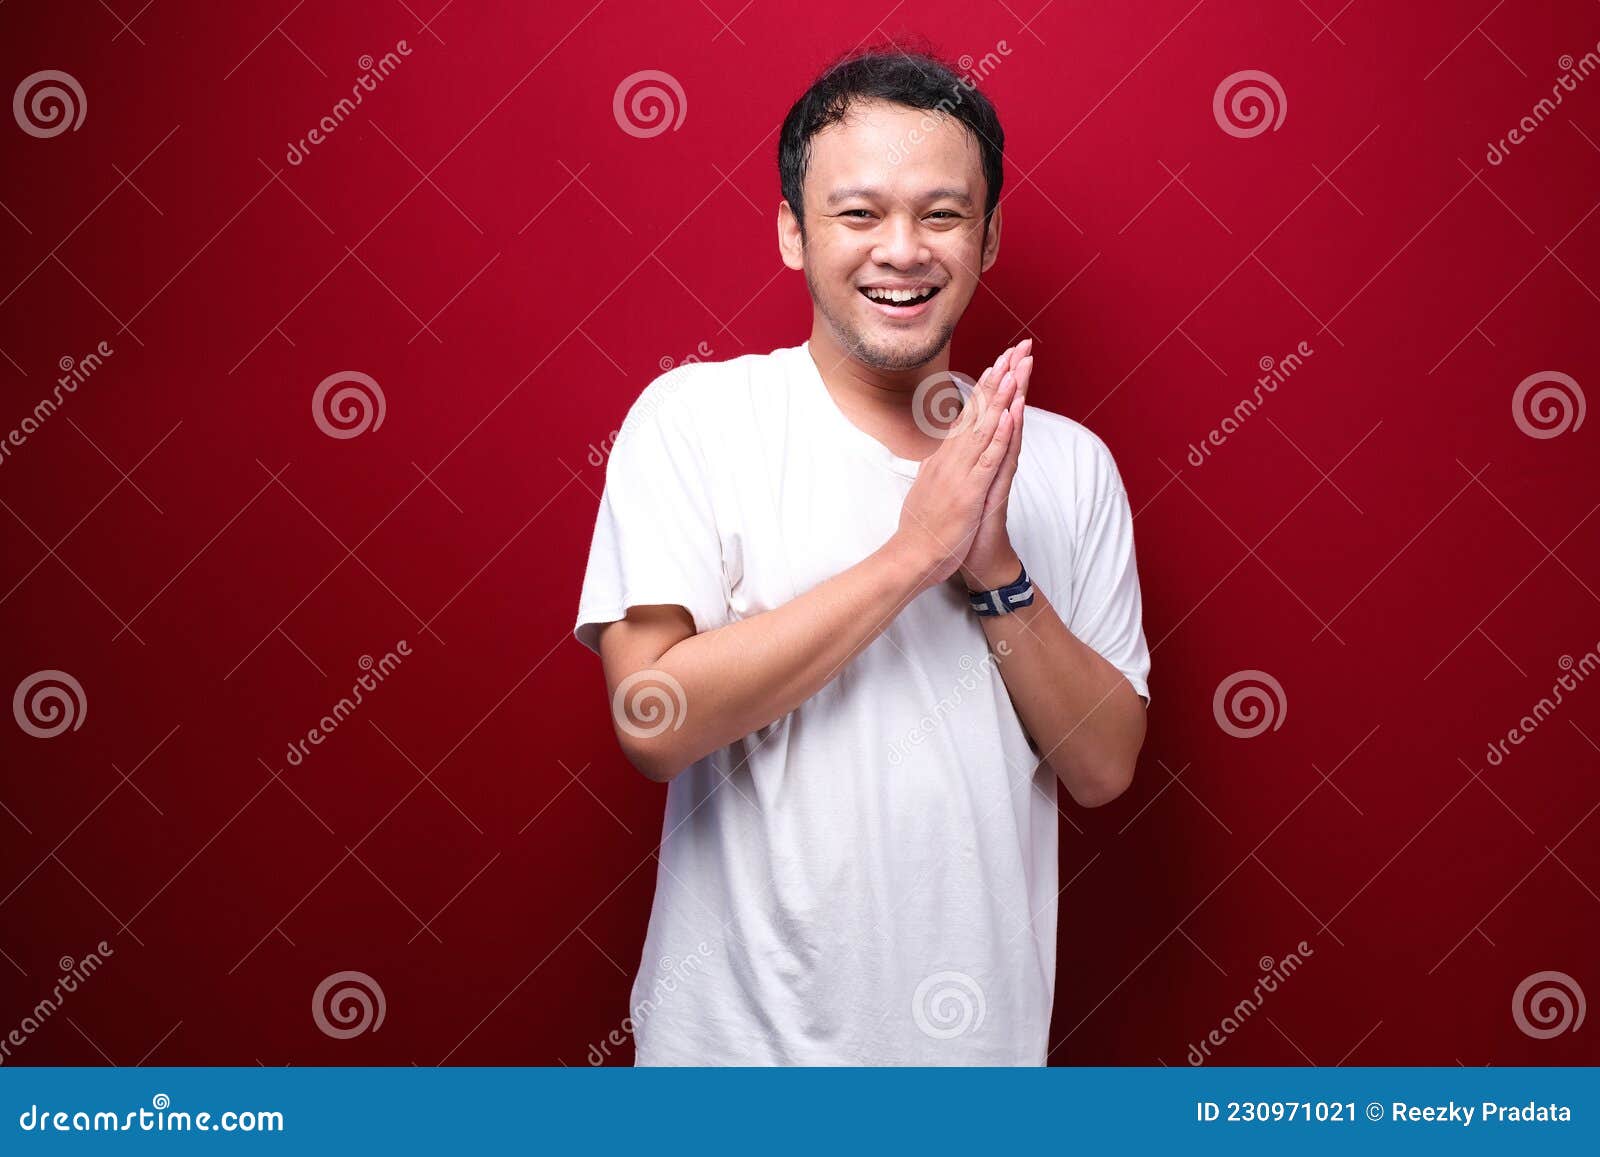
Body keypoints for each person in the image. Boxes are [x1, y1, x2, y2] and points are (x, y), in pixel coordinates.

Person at [573, 46, 1150, 1065]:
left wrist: (992, 569)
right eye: (858, 213)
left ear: (988, 235)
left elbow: (1103, 767)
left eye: (941, 214)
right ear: (794, 231)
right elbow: (649, 718)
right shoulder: (697, 419)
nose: (903, 249)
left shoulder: (1067, 465)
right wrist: (913, 554)